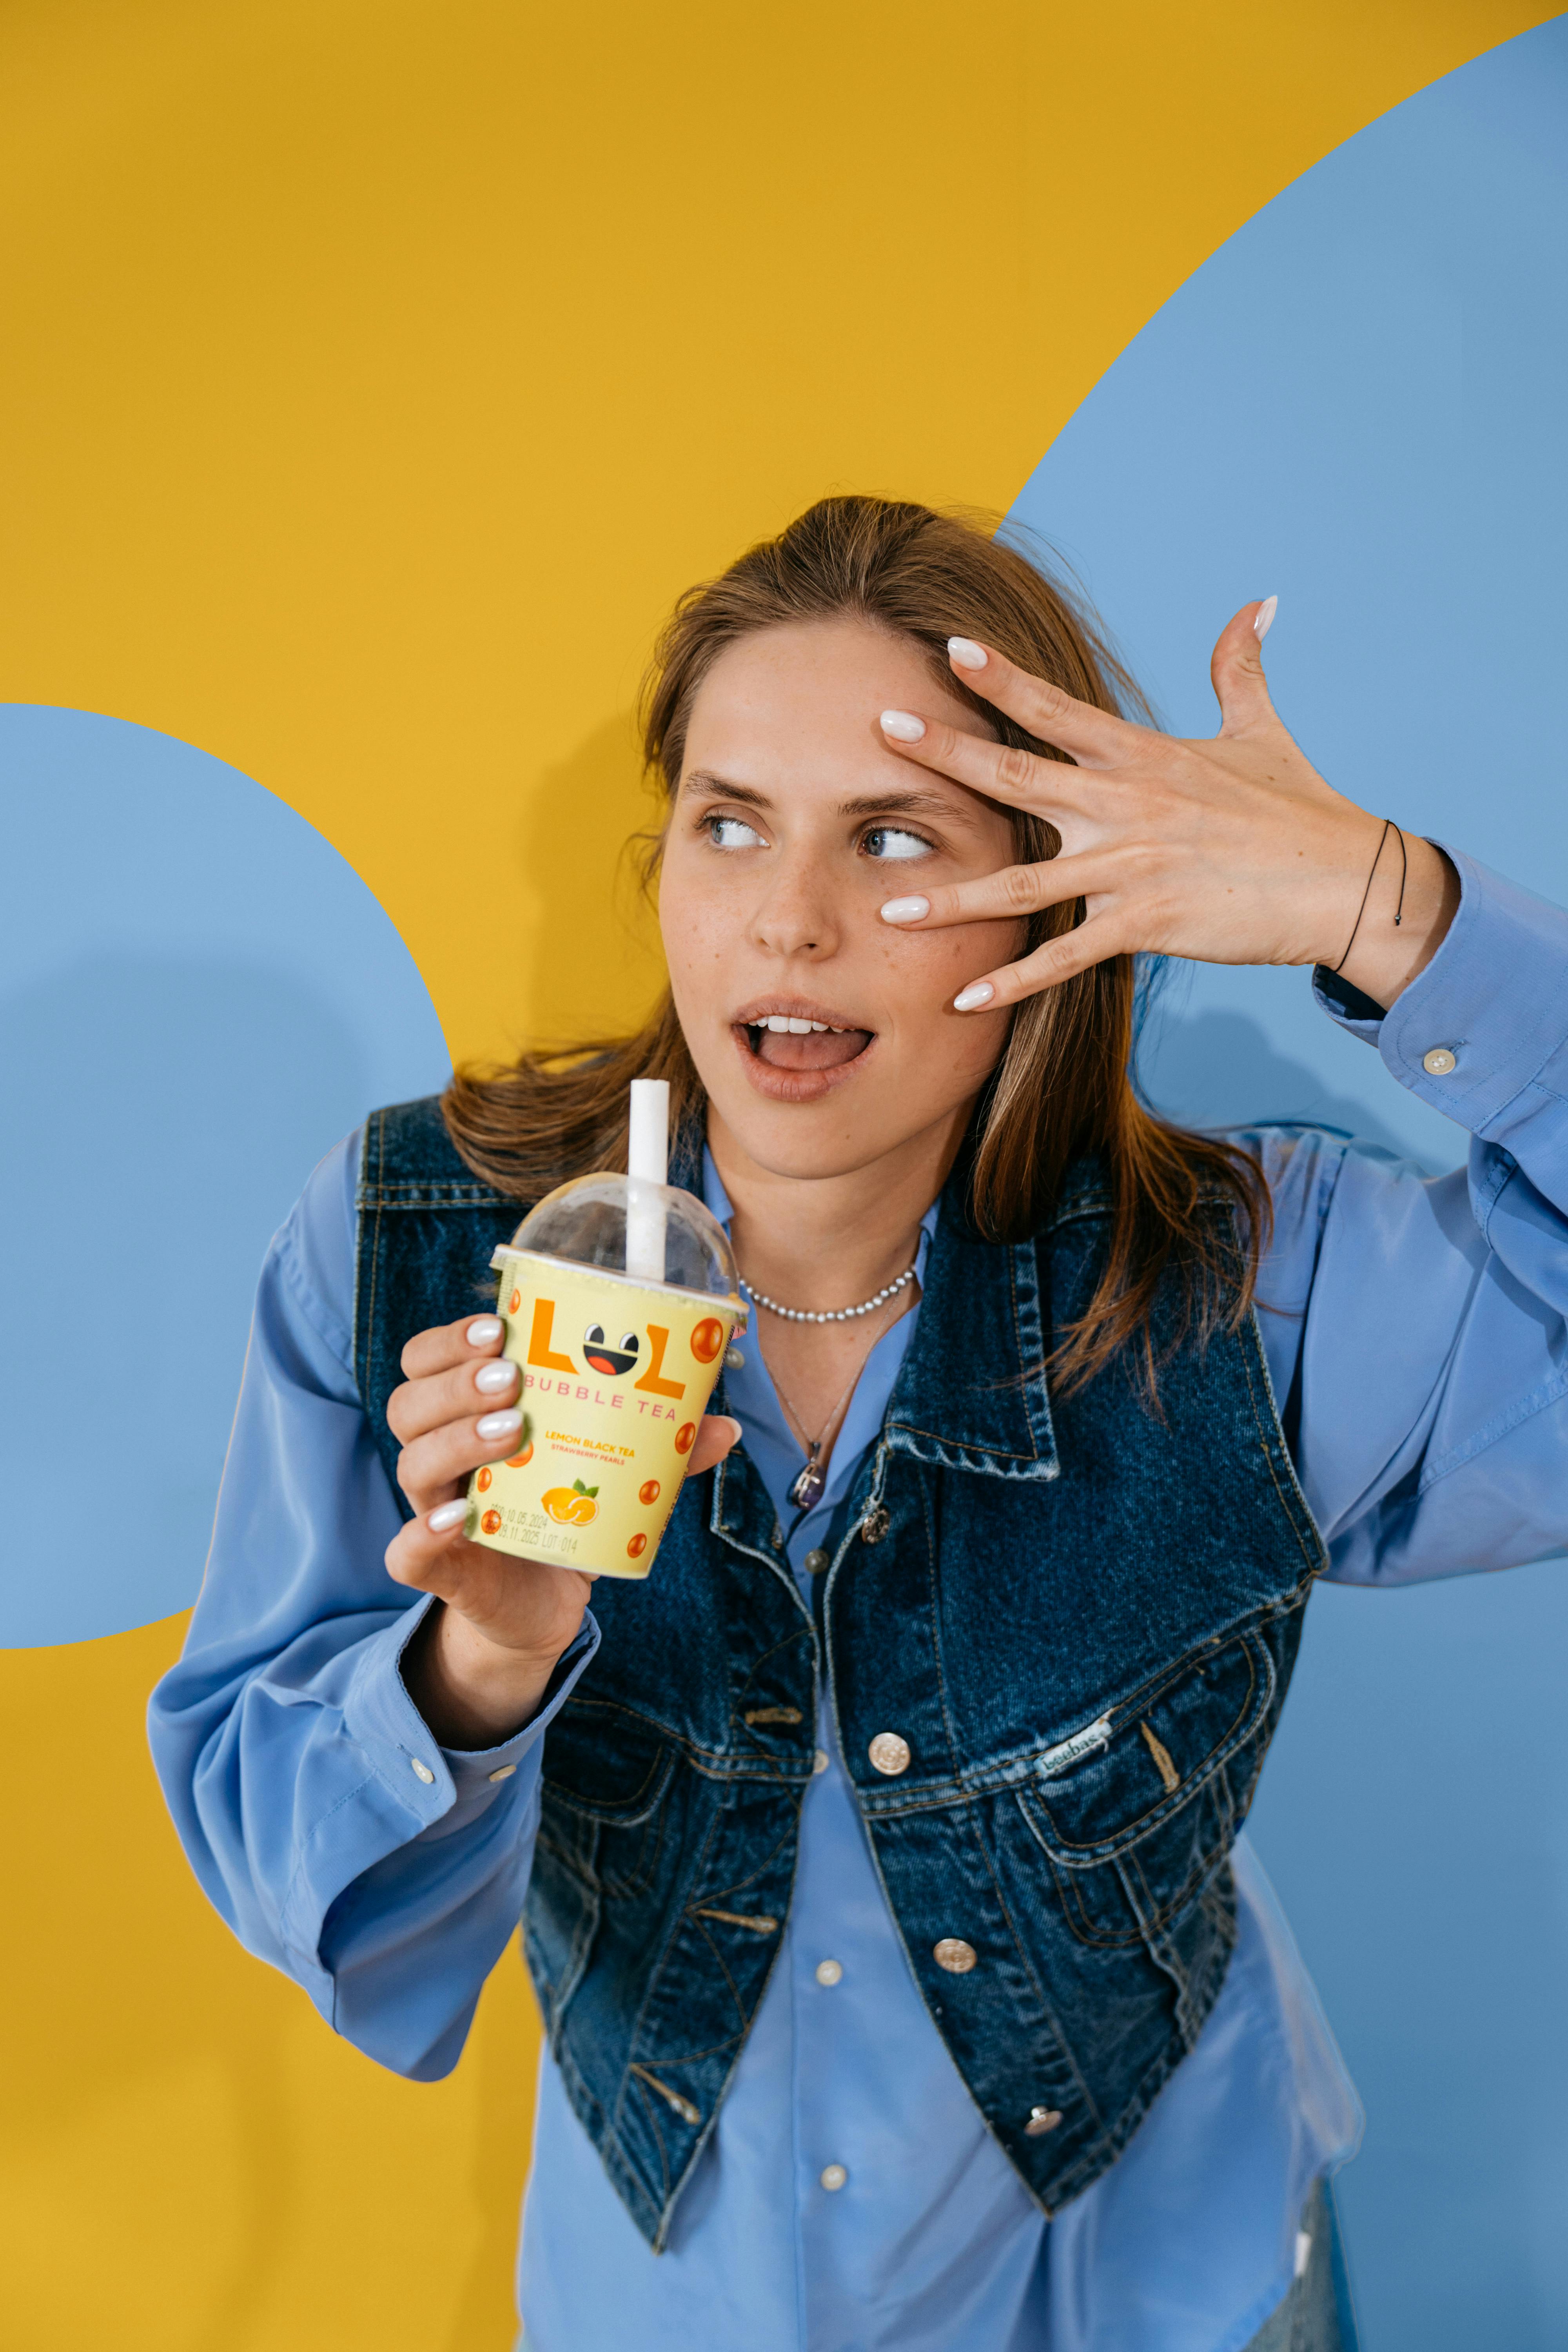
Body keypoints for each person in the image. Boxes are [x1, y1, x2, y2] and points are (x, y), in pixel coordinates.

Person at [150, 498, 1567, 2352]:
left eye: (892, 840)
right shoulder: (422, 1247)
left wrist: (1387, 909)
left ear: (1056, 898)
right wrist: (479, 1661)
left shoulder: (1245, 1284)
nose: (787, 922)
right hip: (669, 2300)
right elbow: (294, 1876)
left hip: (1161, 2280)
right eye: (729, 823)